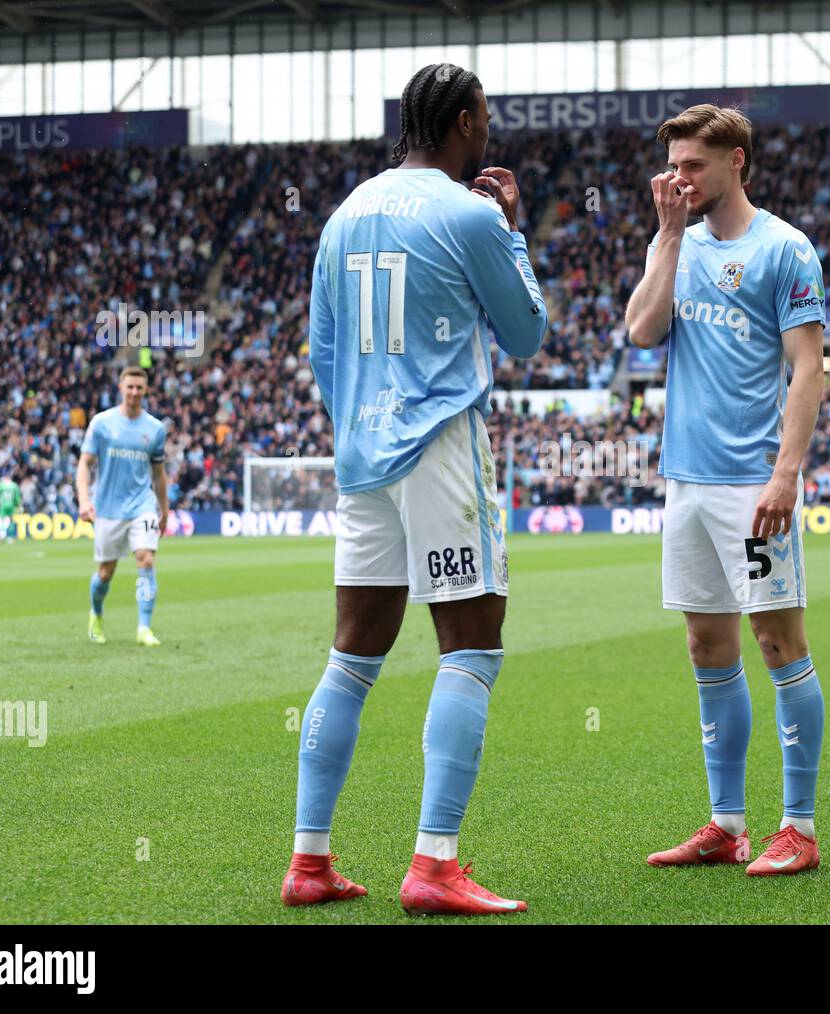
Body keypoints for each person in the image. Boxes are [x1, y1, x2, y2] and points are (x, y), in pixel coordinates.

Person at [281, 64, 548, 916]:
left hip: (361, 454)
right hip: (439, 443)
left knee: (352, 657)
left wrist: (363, 424)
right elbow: (527, 333)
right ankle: (434, 864)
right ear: (465, 121)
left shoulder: (343, 214)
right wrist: (513, 230)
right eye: (486, 117)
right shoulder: (471, 212)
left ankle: (309, 860)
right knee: (471, 647)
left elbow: (323, 355)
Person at [625, 104, 828, 876]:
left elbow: (809, 367)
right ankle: (726, 823)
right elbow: (642, 331)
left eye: (693, 166)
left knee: (779, 644)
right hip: (684, 482)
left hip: (752, 486)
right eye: (674, 165)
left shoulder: (785, 248)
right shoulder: (675, 241)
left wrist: (785, 473)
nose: (679, 178)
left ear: (737, 161)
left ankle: (799, 828)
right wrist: (669, 236)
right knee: (707, 645)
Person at [75, 366, 169, 647]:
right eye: (130, 387)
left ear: (146, 389)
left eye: (140, 387)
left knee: (146, 559)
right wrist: (84, 500)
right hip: (108, 508)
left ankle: (143, 628)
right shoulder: (102, 424)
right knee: (105, 572)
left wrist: (164, 509)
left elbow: (159, 474)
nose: (135, 392)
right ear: (121, 387)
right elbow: (84, 464)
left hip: (142, 506)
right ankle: (97, 613)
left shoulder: (154, 429)